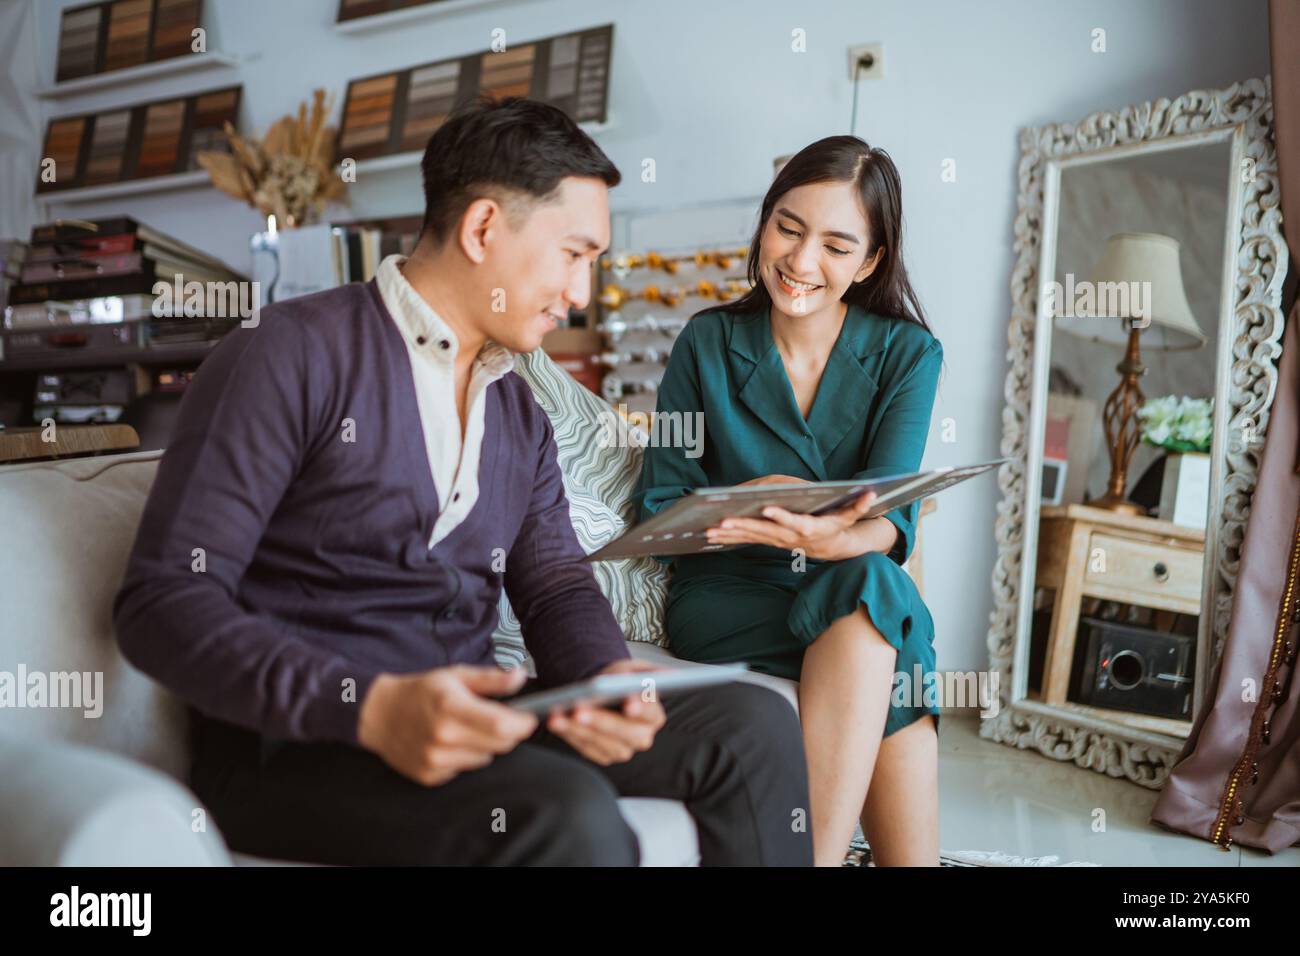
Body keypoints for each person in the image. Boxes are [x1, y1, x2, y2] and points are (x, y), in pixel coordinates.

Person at [112, 96, 812, 867]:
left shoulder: (516, 406)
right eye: (573, 253)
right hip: (298, 750)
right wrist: (374, 709)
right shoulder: (288, 353)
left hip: (471, 716)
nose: (582, 291)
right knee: (566, 814)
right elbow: (163, 600)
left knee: (754, 728)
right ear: (482, 229)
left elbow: (554, 587)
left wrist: (601, 680)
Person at [634, 135, 944, 866]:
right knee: (891, 630)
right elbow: (658, 510)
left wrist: (835, 541)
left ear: (869, 262)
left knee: (870, 582)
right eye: (789, 228)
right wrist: (747, 504)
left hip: (847, 577)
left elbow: (892, 519)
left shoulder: (908, 355)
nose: (802, 263)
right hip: (729, 593)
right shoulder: (706, 342)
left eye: (837, 246)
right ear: (765, 221)